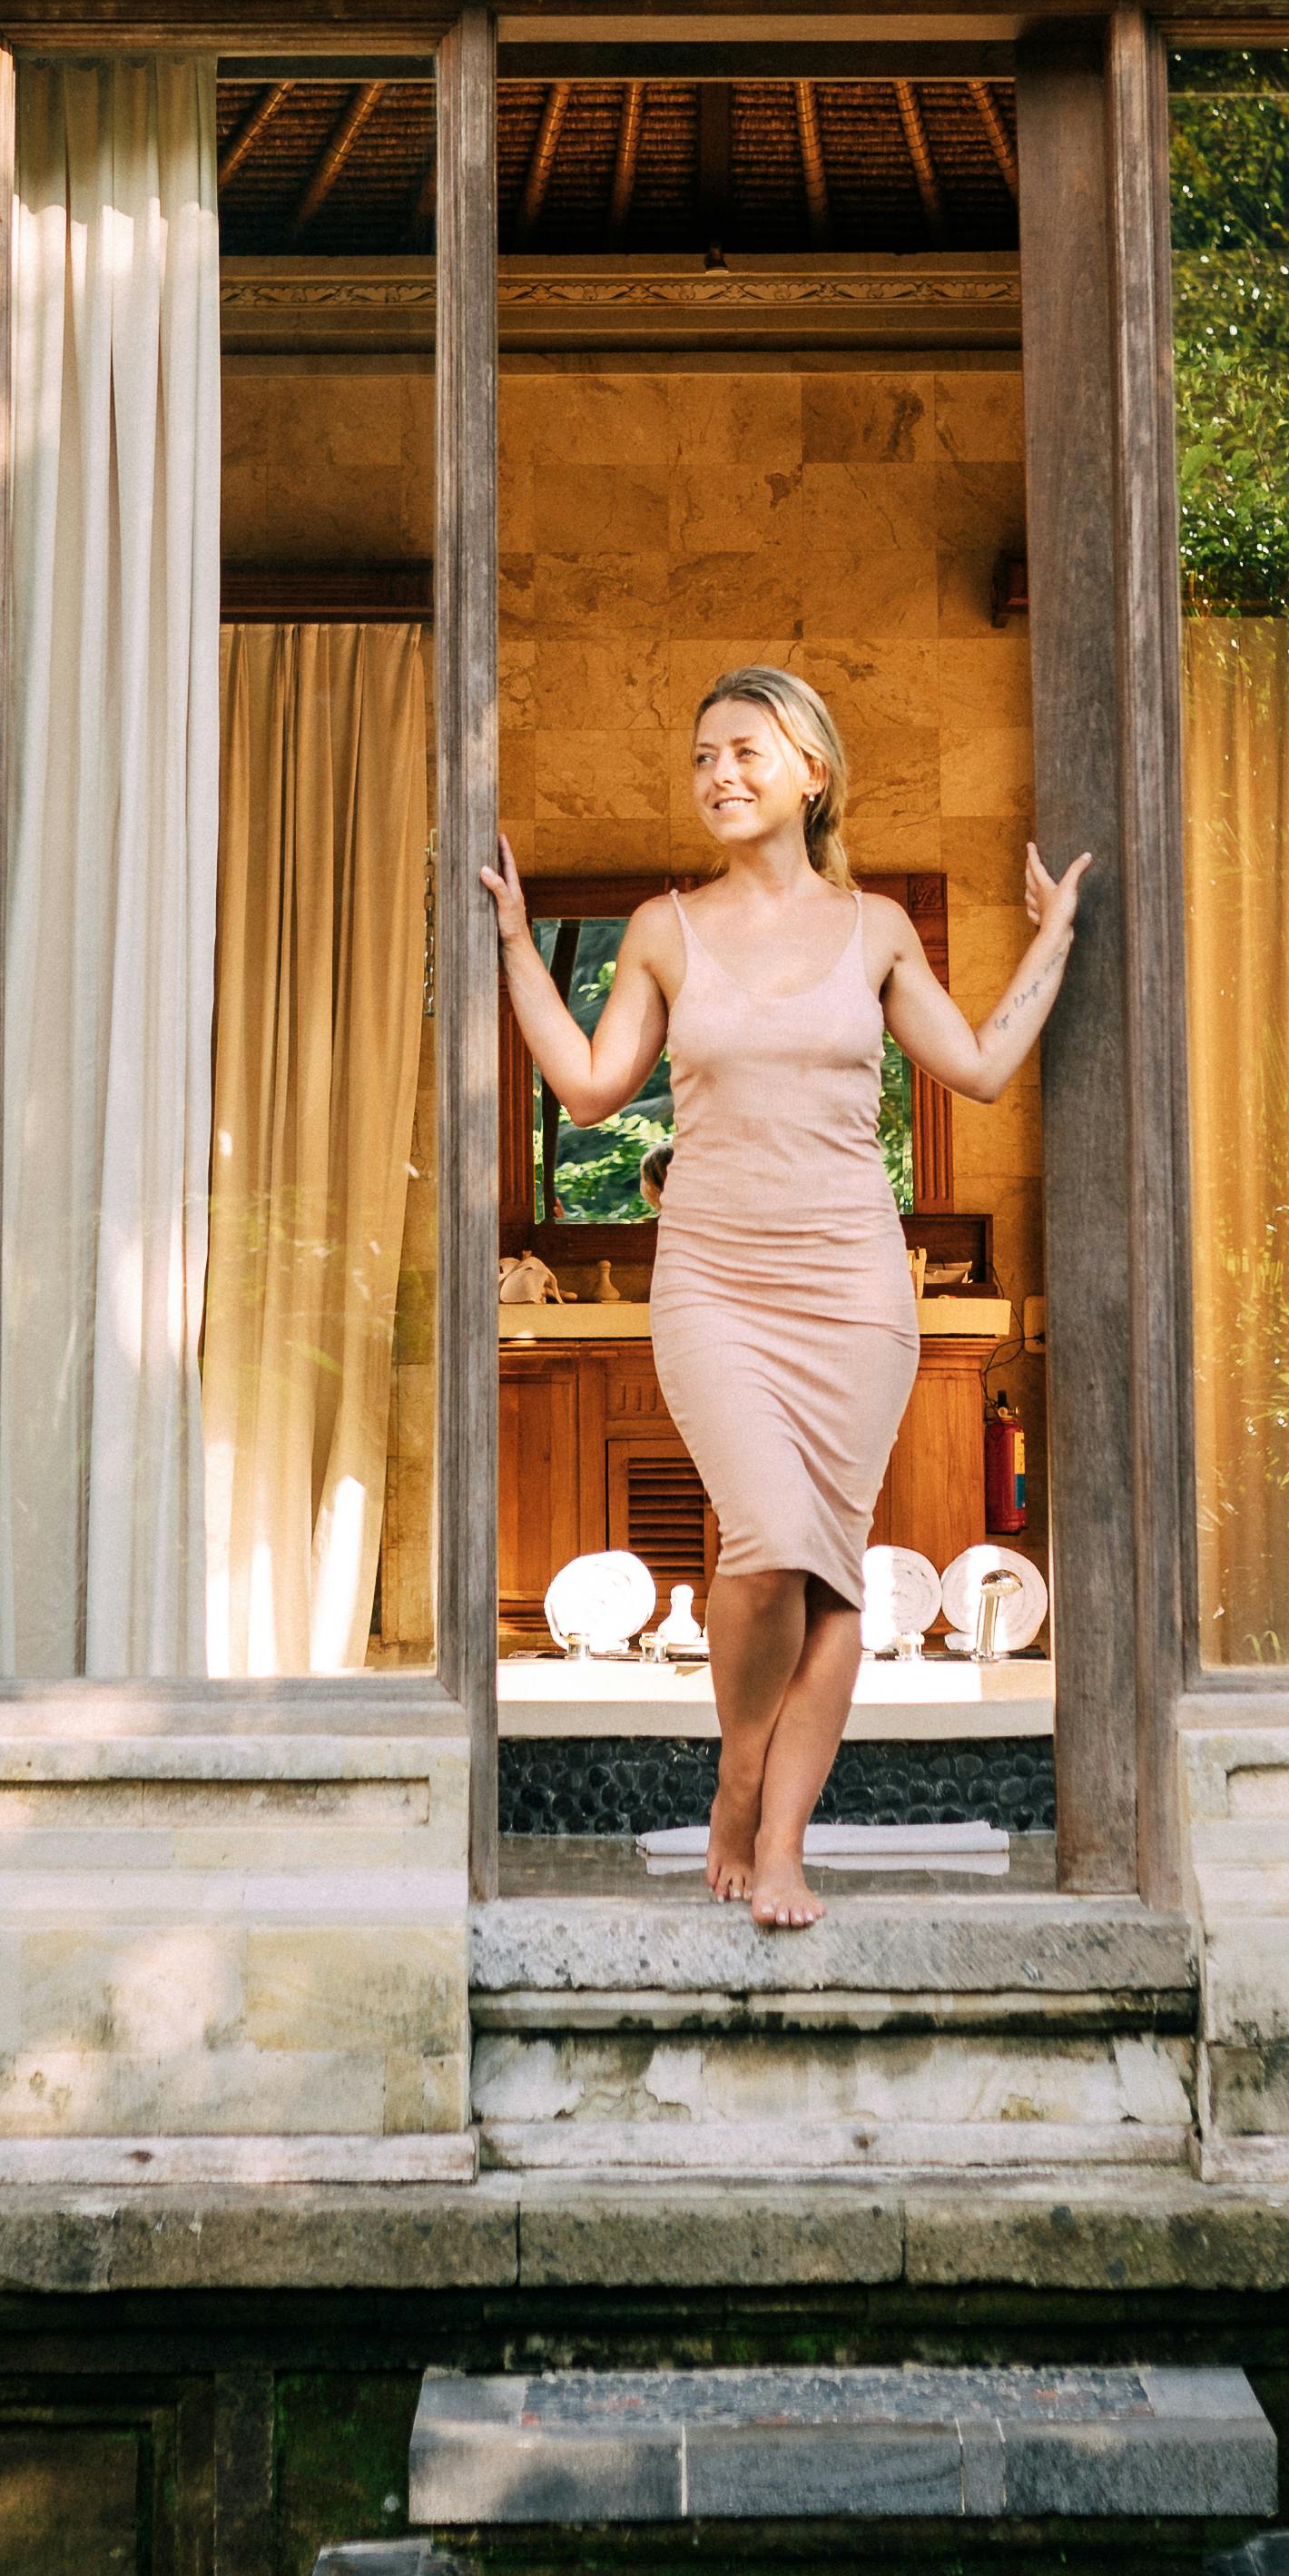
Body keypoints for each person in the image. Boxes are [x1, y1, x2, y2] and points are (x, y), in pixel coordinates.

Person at [486, 667, 1087, 1927]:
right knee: (764, 1549)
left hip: (853, 1289)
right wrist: (513, 946)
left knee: (835, 1587)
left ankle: (781, 1845)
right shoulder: (662, 927)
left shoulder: (874, 931)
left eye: (748, 752)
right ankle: (739, 1774)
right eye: (704, 757)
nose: (721, 775)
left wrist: (1055, 940)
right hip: (713, 1282)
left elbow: (974, 1067)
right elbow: (593, 1091)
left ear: (812, 770)